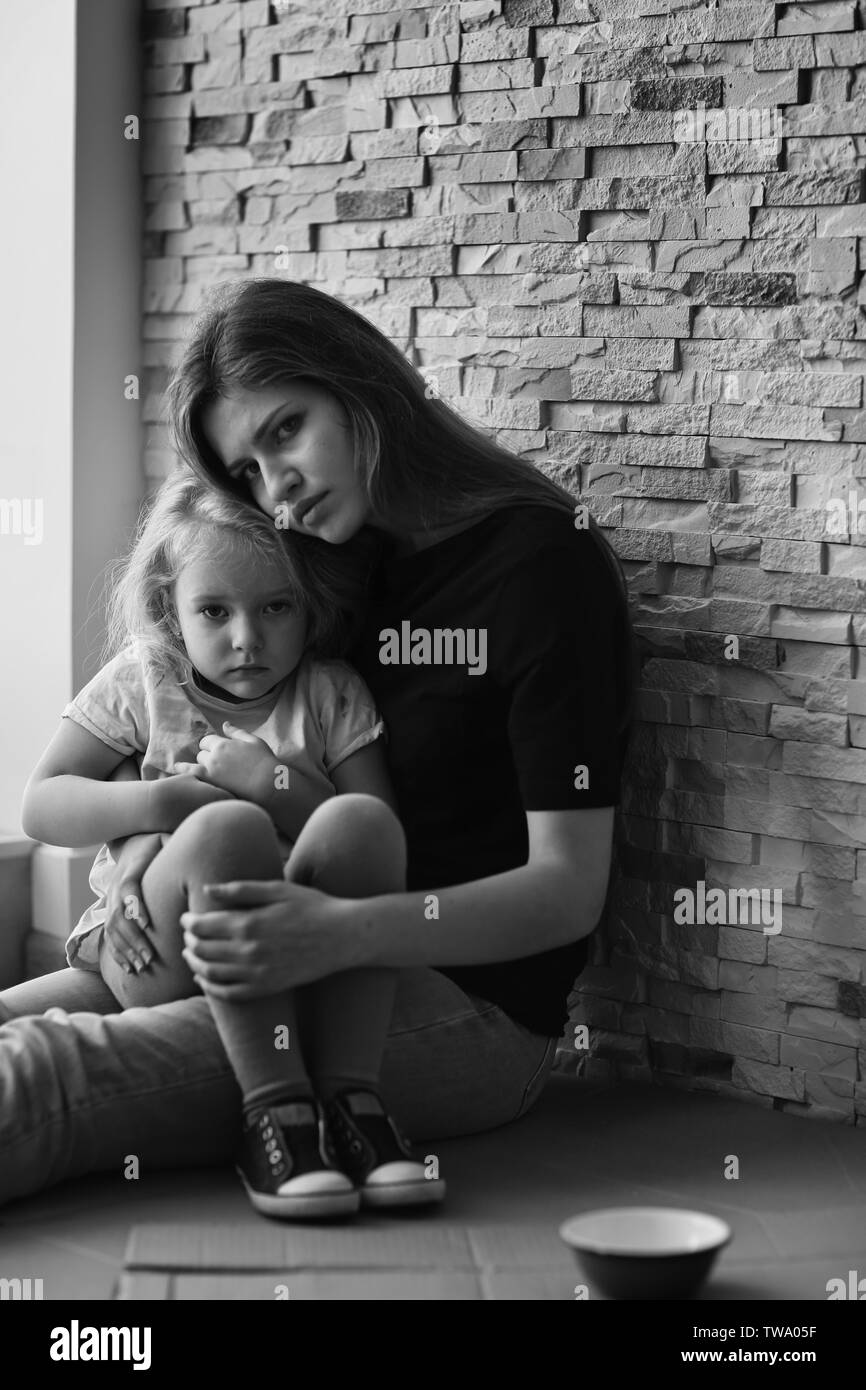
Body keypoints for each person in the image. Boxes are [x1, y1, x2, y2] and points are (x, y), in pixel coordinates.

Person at [0, 278, 636, 1212]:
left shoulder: (542, 566)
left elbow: (567, 892)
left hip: (460, 1007)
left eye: (285, 431)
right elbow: (214, 755)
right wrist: (143, 851)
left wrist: (337, 932)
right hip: (264, 952)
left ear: (363, 388)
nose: (277, 488)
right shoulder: (330, 568)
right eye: (247, 470)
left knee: (43, 1075)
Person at [3, 469, 443, 1219]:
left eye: (276, 607)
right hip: (150, 953)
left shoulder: (330, 696)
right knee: (226, 828)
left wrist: (271, 780)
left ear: (311, 604)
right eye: (215, 611)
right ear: (169, 610)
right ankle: (275, 1112)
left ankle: (350, 1106)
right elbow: (43, 806)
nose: (247, 639)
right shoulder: (145, 681)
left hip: (292, 958)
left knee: (354, 822)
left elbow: (377, 841)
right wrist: (164, 801)